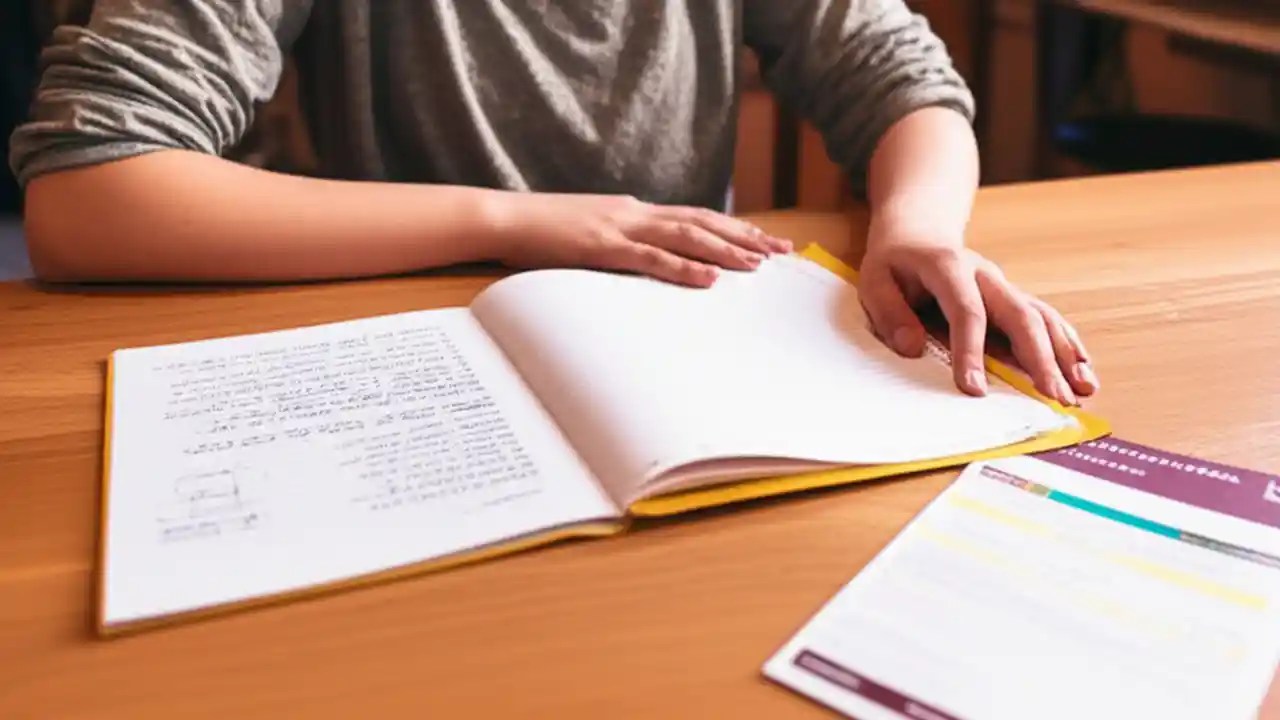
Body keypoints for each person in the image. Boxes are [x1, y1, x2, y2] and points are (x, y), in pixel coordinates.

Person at [8, 0, 1097, 404]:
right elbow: (87, 191)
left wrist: (912, 227)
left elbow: (906, 80)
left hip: (682, 364)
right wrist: (514, 219)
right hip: (399, 364)